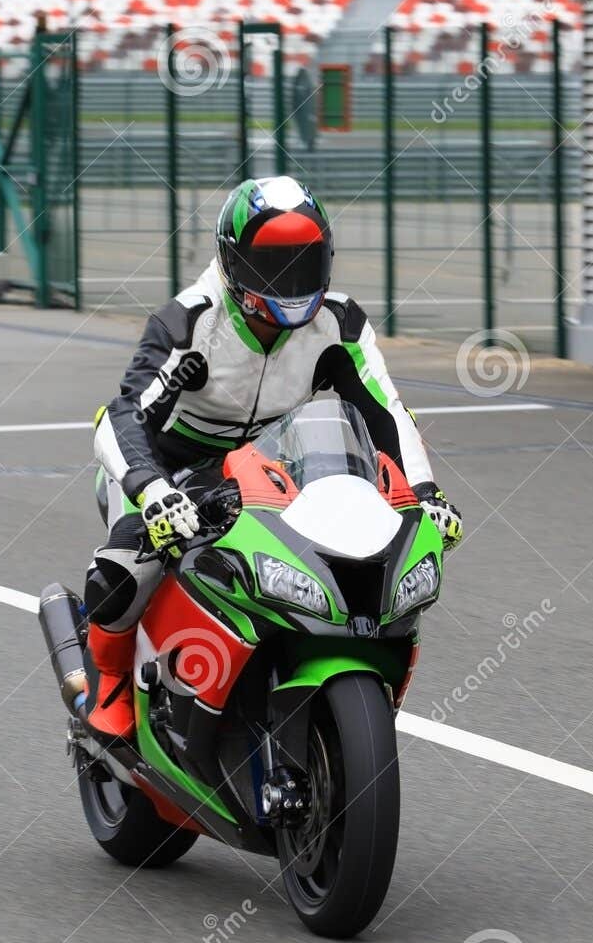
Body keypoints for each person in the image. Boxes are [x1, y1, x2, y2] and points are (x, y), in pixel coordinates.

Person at [82, 175, 463, 738]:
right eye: (272, 264)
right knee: (126, 568)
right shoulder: (190, 323)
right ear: (232, 263)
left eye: (304, 262)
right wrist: (153, 491)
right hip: (173, 468)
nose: (289, 280)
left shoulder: (340, 326)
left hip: (275, 463)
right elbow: (123, 416)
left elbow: (387, 414)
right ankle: (110, 684)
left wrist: (427, 495)